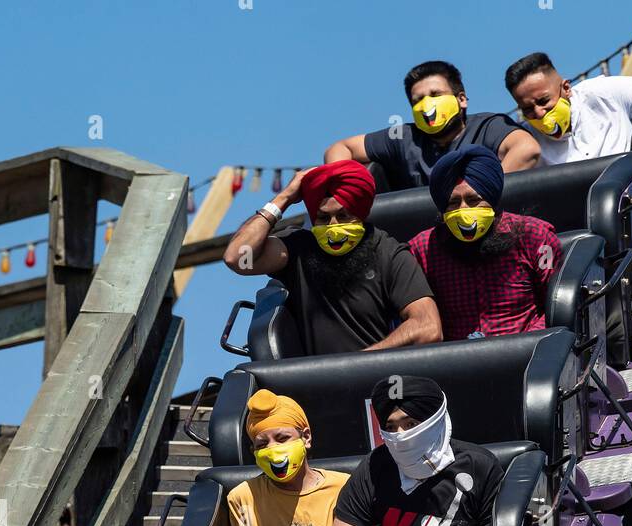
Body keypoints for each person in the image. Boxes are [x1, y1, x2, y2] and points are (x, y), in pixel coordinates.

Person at [222, 161, 441, 355]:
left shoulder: (389, 253)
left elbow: (428, 327)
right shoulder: (298, 247)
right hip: (316, 387)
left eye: (343, 216)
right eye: (324, 218)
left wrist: (360, 363)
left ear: (360, 214)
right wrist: (284, 198)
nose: (333, 226)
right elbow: (236, 256)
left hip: (378, 383)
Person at [323, 375, 502, 526]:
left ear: (435, 420)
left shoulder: (479, 465)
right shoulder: (373, 468)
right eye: (390, 428)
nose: (400, 436)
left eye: (411, 424)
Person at [408, 144, 562, 339]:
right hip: (452, 362)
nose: (464, 210)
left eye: (473, 200)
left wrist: (521, 344)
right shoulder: (422, 249)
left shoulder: (535, 236)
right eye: (454, 203)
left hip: (529, 356)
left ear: (491, 198)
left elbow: (559, 306)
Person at [227, 388, 370, 526]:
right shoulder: (243, 497)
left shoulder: (345, 486)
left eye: (282, 438)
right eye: (262, 443)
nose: (273, 449)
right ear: (254, 452)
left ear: (306, 437)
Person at [325, 59, 539, 191]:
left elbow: (527, 150)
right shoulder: (403, 137)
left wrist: (482, 196)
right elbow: (340, 148)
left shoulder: (487, 125)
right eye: (417, 100)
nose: (427, 105)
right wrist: (344, 190)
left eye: (435, 94)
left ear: (461, 99)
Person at [505, 51, 632, 165]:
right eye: (528, 109)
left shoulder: (601, 94)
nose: (539, 113)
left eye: (543, 101)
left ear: (566, 88)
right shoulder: (525, 141)